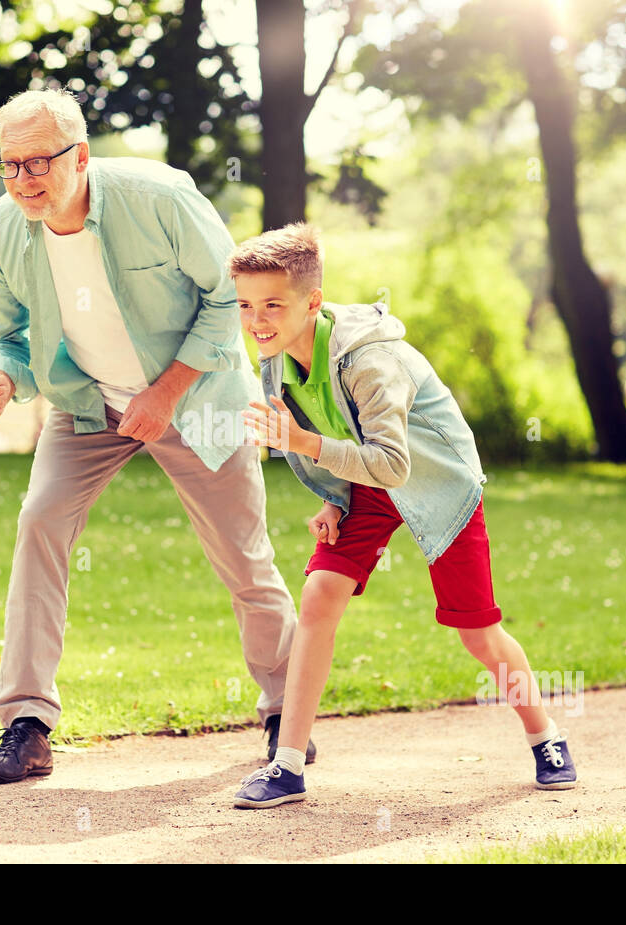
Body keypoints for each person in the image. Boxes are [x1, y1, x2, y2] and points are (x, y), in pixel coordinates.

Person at [0, 88, 310, 783]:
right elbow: (0, 335)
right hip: (86, 401)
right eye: (10, 165)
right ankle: (26, 725)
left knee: (243, 557)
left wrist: (165, 392)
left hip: (198, 395)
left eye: (40, 163)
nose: (25, 181)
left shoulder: (160, 196)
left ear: (81, 155)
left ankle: (286, 712)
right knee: (39, 521)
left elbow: (228, 299)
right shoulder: (2, 228)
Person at [226, 221, 577, 808]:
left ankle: (547, 737)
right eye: (244, 306)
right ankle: (287, 766)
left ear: (313, 302)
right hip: (366, 480)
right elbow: (333, 438)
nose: (256, 320)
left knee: (478, 634)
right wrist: (335, 500)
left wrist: (306, 445)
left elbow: (391, 464)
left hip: (434, 483)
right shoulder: (278, 359)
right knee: (319, 596)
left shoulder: (370, 362)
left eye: (272, 305)